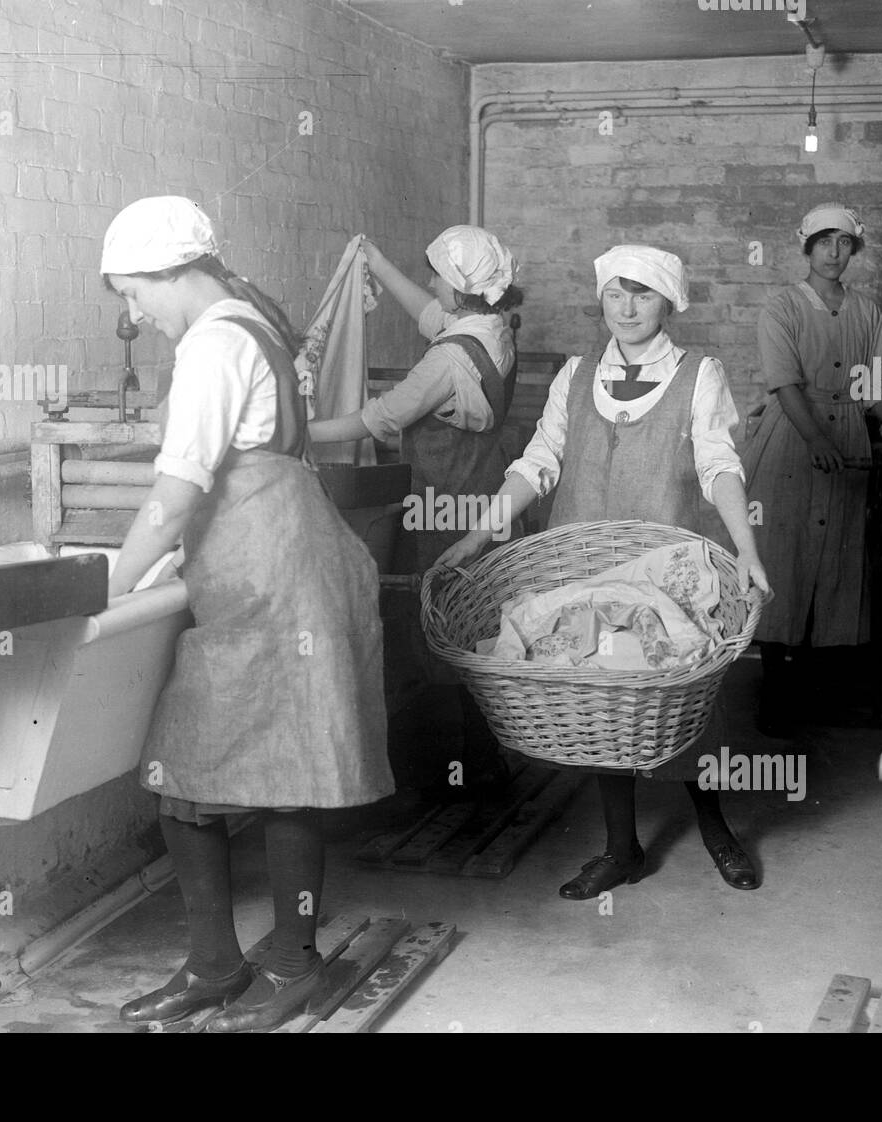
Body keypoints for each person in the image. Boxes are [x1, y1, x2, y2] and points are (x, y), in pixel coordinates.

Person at [100, 197, 392, 1032]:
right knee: (223, 771)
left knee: (237, 771)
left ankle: (284, 964)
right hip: (271, 569)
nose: (134, 312)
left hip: (276, 576)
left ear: (172, 273)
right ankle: (223, 965)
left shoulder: (214, 346)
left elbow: (173, 497)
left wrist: (108, 589)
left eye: (132, 292)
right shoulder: (248, 323)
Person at [436, 245, 771, 899]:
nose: (626, 308)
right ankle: (621, 848)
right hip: (586, 563)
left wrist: (747, 550)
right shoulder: (575, 373)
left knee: (685, 700)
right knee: (605, 702)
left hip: (666, 567)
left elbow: (719, 464)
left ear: (669, 301)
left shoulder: (699, 374)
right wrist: (478, 535)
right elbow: (538, 462)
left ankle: (714, 826)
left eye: (642, 295)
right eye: (615, 294)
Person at [308, 225, 522, 799]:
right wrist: (375, 260)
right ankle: (484, 760)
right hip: (484, 493)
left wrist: (300, 433)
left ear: (457, 287)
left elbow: (383, 417)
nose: (431, 284)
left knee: (449, 633)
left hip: (447, 506)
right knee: (479, 629)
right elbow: (429, 313)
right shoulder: (491, 330)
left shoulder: (448, 360)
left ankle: (468, 768)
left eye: (437, 276)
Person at [742, 204, 882, 737]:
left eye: (844, 243)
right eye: (824, 243)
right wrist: (815, 438)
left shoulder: (867, 310)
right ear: (807, 248)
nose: (834, 253)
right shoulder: (783, 307)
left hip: (848, 435)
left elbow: (876, 381)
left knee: (838, 565)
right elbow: (784, 383)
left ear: (854, 250)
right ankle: (774, 695)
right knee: (784, 562)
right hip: (792, 436)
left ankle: (816, 694)